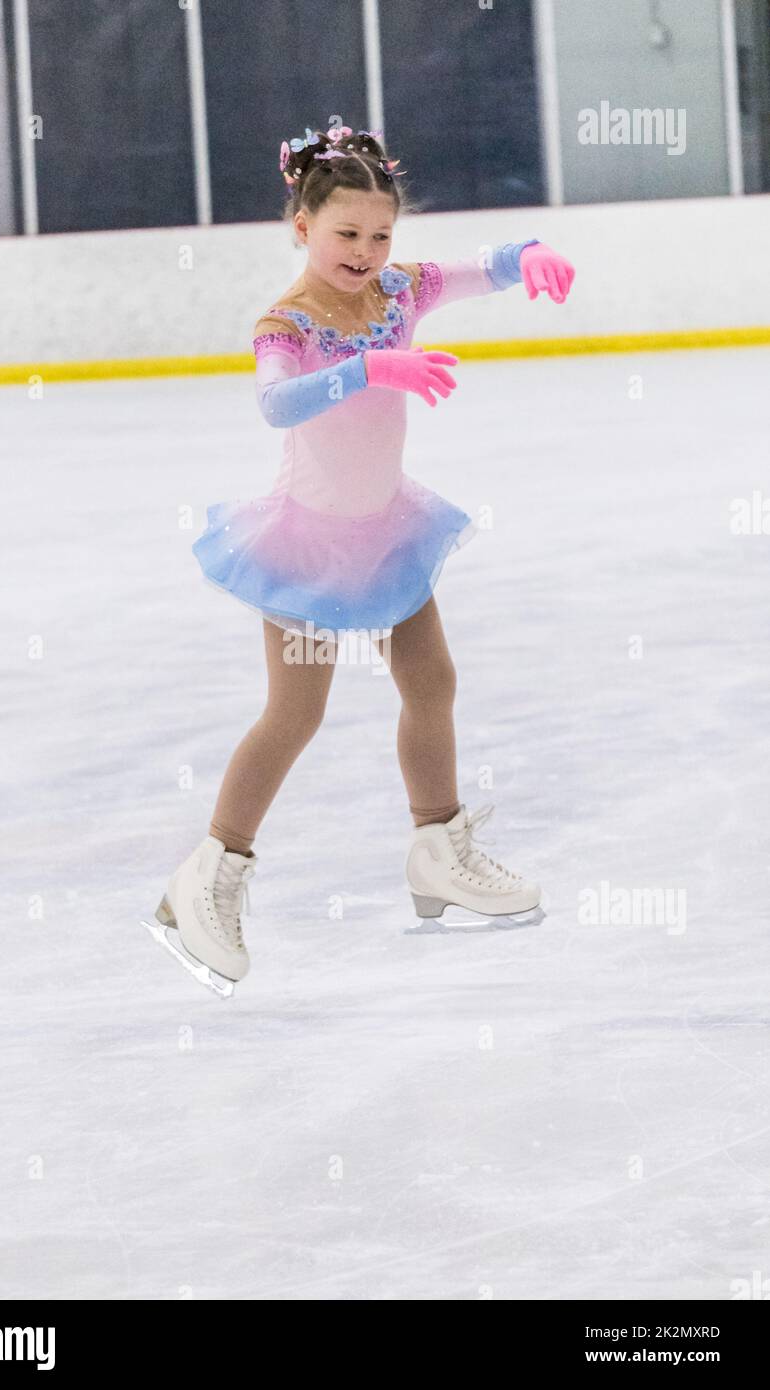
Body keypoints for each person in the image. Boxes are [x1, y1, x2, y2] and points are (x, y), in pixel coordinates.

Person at [153, 119, 575, 992]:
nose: (365, 249)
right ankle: (209, 873)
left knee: (433, 683)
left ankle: (438, 847)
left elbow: (479, 269)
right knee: (294, 716)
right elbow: (275, 406)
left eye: (380, 233)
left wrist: (527, 252)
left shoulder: (400, 291)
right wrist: (371, 372)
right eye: (346, 232)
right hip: (306, 549)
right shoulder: (288, 321)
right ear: (300, 227)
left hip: (387, 535)